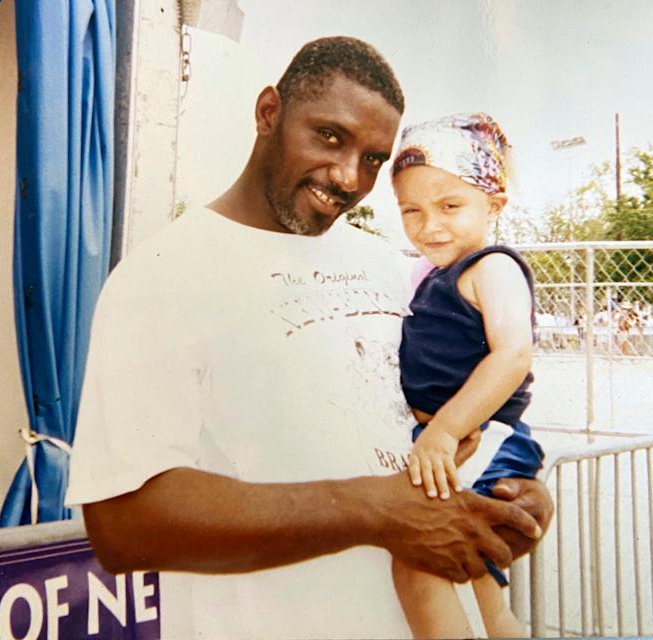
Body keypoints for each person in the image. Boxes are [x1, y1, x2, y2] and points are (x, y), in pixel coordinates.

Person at [66, 37, 553, 639]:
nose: (349, 177)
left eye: (374, 159)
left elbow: (427, 414)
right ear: (269, 112)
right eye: (330, 136)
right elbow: (123, 525)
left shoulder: (386, 264)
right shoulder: (163, 275)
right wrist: (376, 512)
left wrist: (513, 496)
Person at [388, 113, 543, 638]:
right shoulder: (432, 275)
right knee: (478, 588)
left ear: (493, 205)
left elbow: (512, 355)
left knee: (420, 564)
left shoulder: (492, 268)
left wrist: (446, 429)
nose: (429, 225)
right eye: (411, 210)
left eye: (450, 206)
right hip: (450, 443)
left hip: (480, 438)